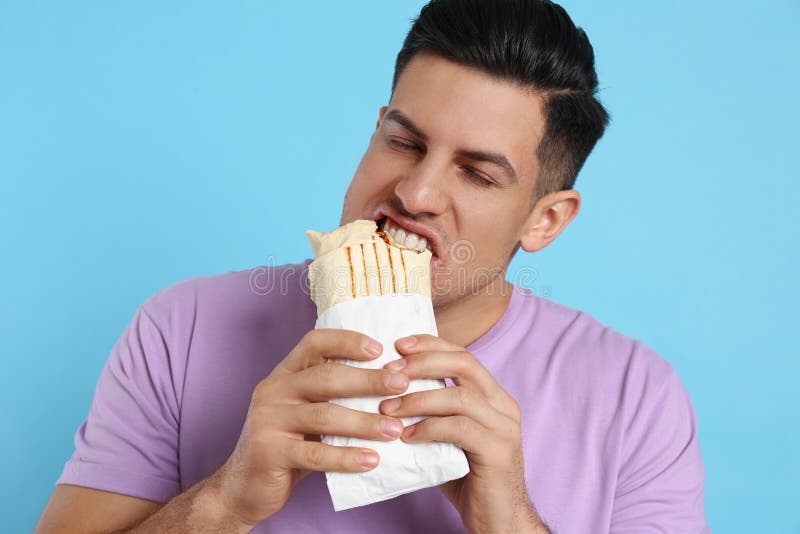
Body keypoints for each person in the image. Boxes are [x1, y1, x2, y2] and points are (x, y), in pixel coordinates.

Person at [35, 0, 709, 532]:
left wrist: (507, 520)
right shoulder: (181, 329)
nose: (415, 194)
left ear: (546, 220)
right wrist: (224, 502)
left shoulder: (635, 395)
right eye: (403, 142)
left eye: (476, 174)